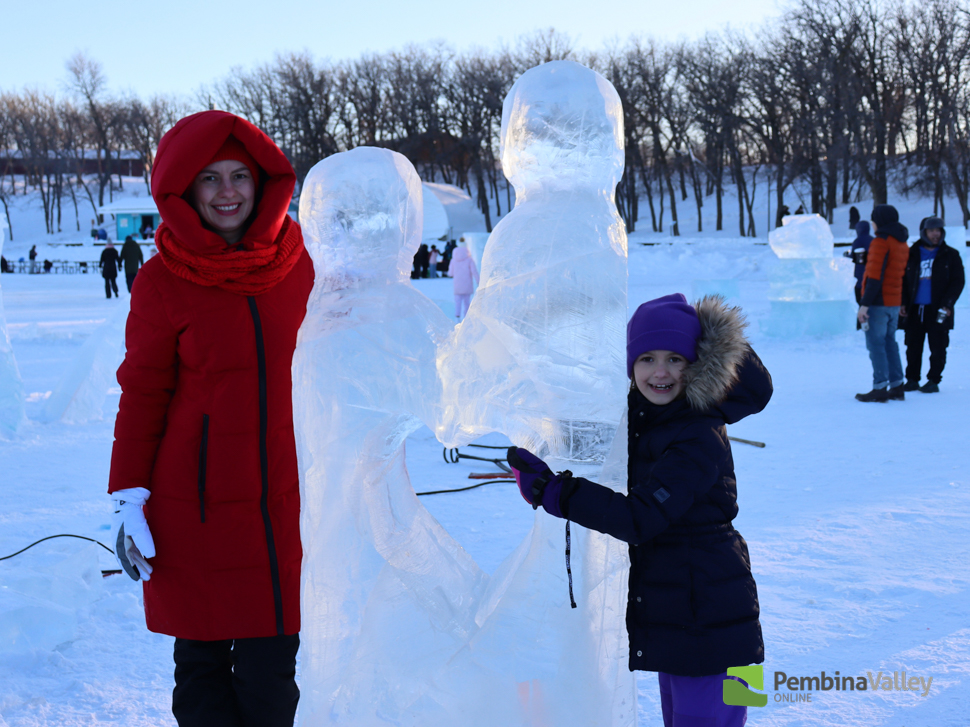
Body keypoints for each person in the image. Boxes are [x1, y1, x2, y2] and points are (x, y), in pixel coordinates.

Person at [107, 110, 313, 727]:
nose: (228, 192)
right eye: (210, 179)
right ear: (185, 191)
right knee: (200, 672)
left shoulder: (300, 265)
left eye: (240, 176)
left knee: (271, 675)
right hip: (193, 505)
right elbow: (141, 392)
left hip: (281, 502)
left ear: (263, 183)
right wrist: (127, 498)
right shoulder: (161, 280)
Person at [507, 294, 770, 727]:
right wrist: (546, 440)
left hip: (711, 619)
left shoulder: (697, 434)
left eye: (675, 359)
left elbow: (640, 518)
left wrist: (554, 493)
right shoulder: (652, 418)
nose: (660, 371)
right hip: (683, 613)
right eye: (646, 358)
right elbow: (610, 443)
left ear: (698, 365)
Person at [900, 216, 965, 393]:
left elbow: (958, 282)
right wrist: (903, 302)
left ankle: (933, 380)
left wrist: (948, 304)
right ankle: (912, 379)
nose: (936, 234)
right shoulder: (912, 253)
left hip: (938, 309)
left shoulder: (950, 255)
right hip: (915, 309)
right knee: (912, 346)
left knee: (938, 346)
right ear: (924, 232)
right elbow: (903, 280)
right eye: (932, 230)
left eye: (939, 230)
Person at [856, 204, 909, 403]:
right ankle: (897, 385)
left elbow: (874, 277)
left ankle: (880, 387)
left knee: (876, 344)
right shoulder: (902, 242)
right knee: (890, 343)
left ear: (880, 220)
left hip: (878, 303)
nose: (872, 223)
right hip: (894, 302)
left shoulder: (881, 241)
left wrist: (864, 304)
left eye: (874, 219)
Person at [845, 220, 873, 305]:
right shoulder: (873, 240)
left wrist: (846, 255)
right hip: (871, 274)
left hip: (859, 275)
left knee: (860, 300)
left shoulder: (857, 241)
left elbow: (853, 257)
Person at [448, 243, 478, 320]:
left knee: (457, 301)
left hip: (457, 285)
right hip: (467, 284)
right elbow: (474, 271)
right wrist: (479, 281)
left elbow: (450, 273)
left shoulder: (453, 261)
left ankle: (457, 316)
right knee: (467, 302)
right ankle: (466, 317)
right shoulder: (469, 260)